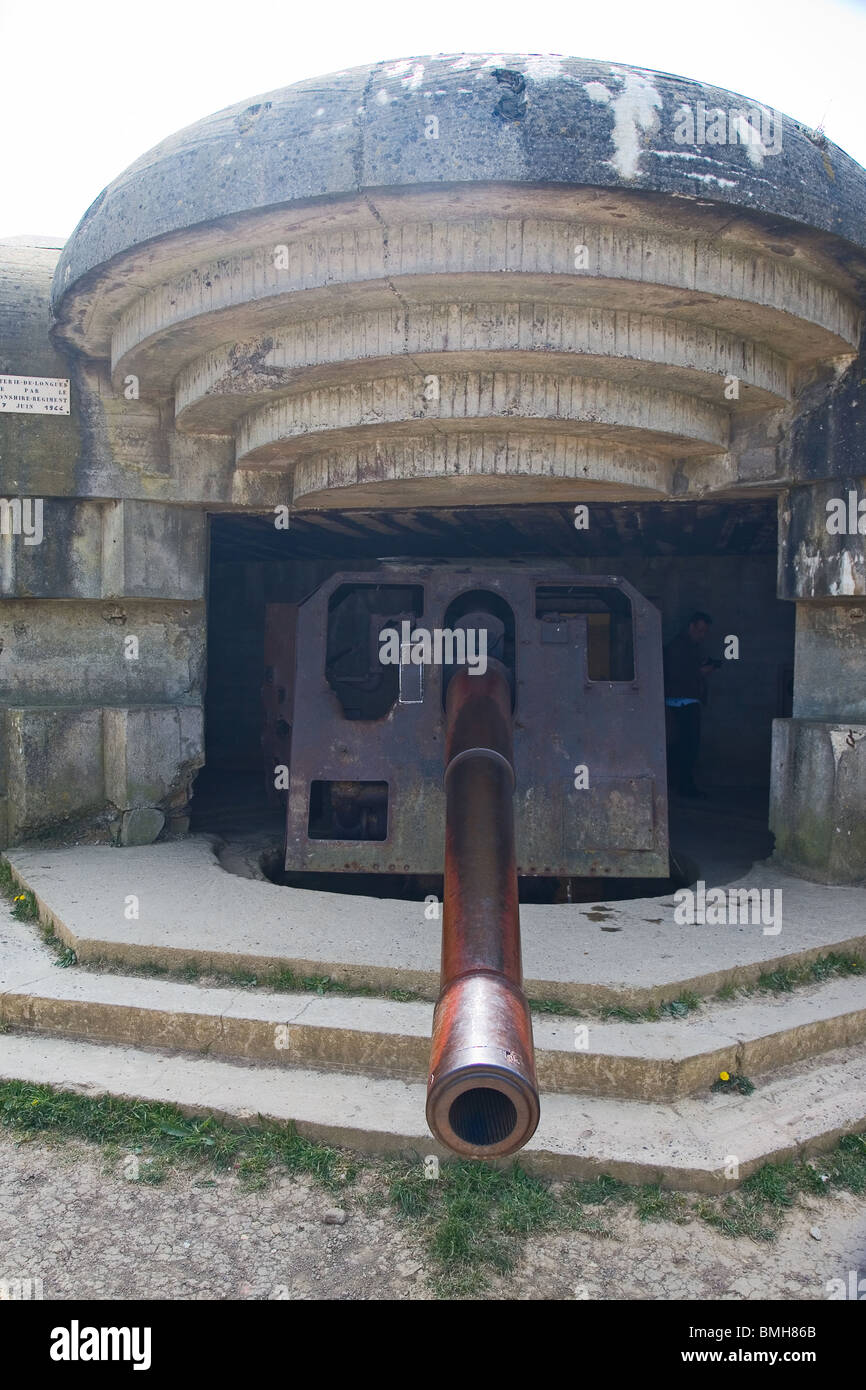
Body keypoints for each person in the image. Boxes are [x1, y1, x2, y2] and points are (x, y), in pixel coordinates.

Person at [663, 611, 718, 798]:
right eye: (700, 630)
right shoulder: (678, 647)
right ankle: (684, 786)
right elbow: (677, 675)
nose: (702, 635)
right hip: (682, 702)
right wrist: (701, 672)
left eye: (704, 632)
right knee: (687, 746)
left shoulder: (686, 646)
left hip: (683, 702)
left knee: (684, 746)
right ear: (691, 626)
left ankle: (682, 785)